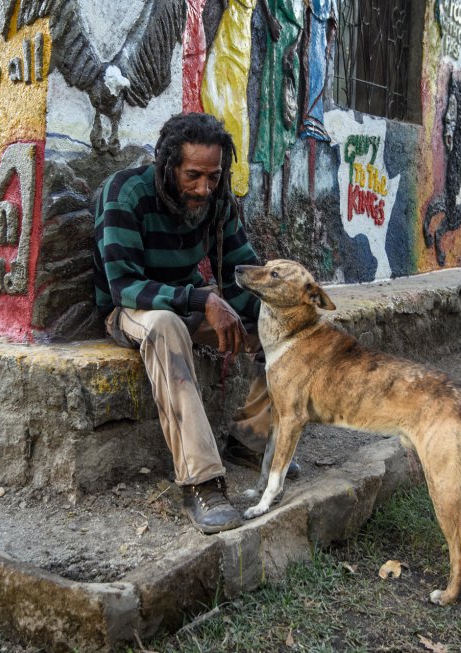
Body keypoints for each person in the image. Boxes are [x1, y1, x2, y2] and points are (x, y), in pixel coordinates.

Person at [93, 112, 296, 535]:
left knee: (276, 323)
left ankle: (251, 440)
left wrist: (275, 319)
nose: (204, 188)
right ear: (167, 165)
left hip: (190, 304)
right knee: (166, 324)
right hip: (134, 308)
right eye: (193, 176)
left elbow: (241, 269)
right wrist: (201, 298)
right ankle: (201, 482)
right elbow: (125, 287)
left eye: (214, 176)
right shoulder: (124, 193)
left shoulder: (217, 201)